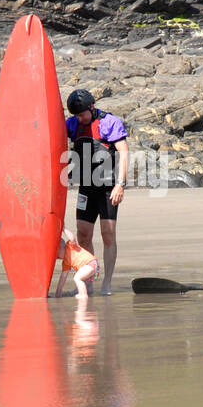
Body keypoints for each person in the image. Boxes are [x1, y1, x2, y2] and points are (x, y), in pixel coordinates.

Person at [64, 89, 129, 295]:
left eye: (82, 114)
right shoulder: (73, 124)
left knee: (108, 234)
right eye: (76, 115)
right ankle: (89, 279)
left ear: (91, 107)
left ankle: (107, 283)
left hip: (108, 188)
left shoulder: (109, 122)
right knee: (83, 234)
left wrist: (120, 184)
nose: (80, 119)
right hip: (86, 187)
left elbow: (124, 152)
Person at [54, 226, 99, 301]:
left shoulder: (70, 246)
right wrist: (58, 293)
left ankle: (83, 295)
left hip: (90, 263)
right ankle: (88, 291)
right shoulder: (65, 262)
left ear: (61, 247)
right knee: (81, 279)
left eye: (57, 254)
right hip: (91, 267)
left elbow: (72, 239)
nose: (57, 257)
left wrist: (64, 229)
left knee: (77, 278)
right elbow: (63, 277)